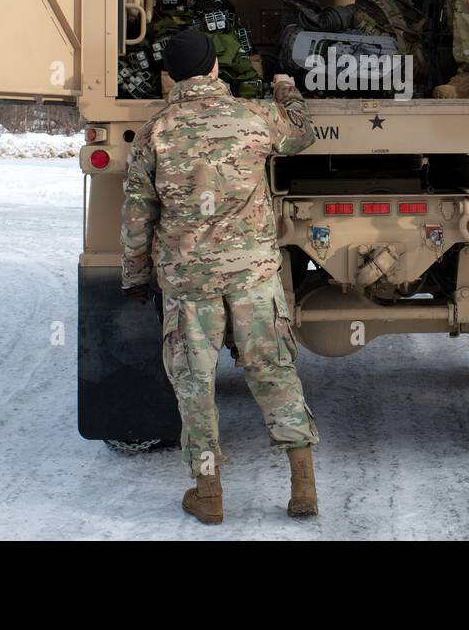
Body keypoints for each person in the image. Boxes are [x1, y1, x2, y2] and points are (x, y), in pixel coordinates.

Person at [120, 26, 320, 524]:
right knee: (272, 369)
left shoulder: (156, 131)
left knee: (195, 382)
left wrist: (135, 274)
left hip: (188, 280)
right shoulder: (251, 117)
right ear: (214, 67)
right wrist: (283, 87)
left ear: (170, 77)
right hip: (251, 274)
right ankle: (303, 488)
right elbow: (302, 132)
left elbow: (137, 214)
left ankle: (208, 494)